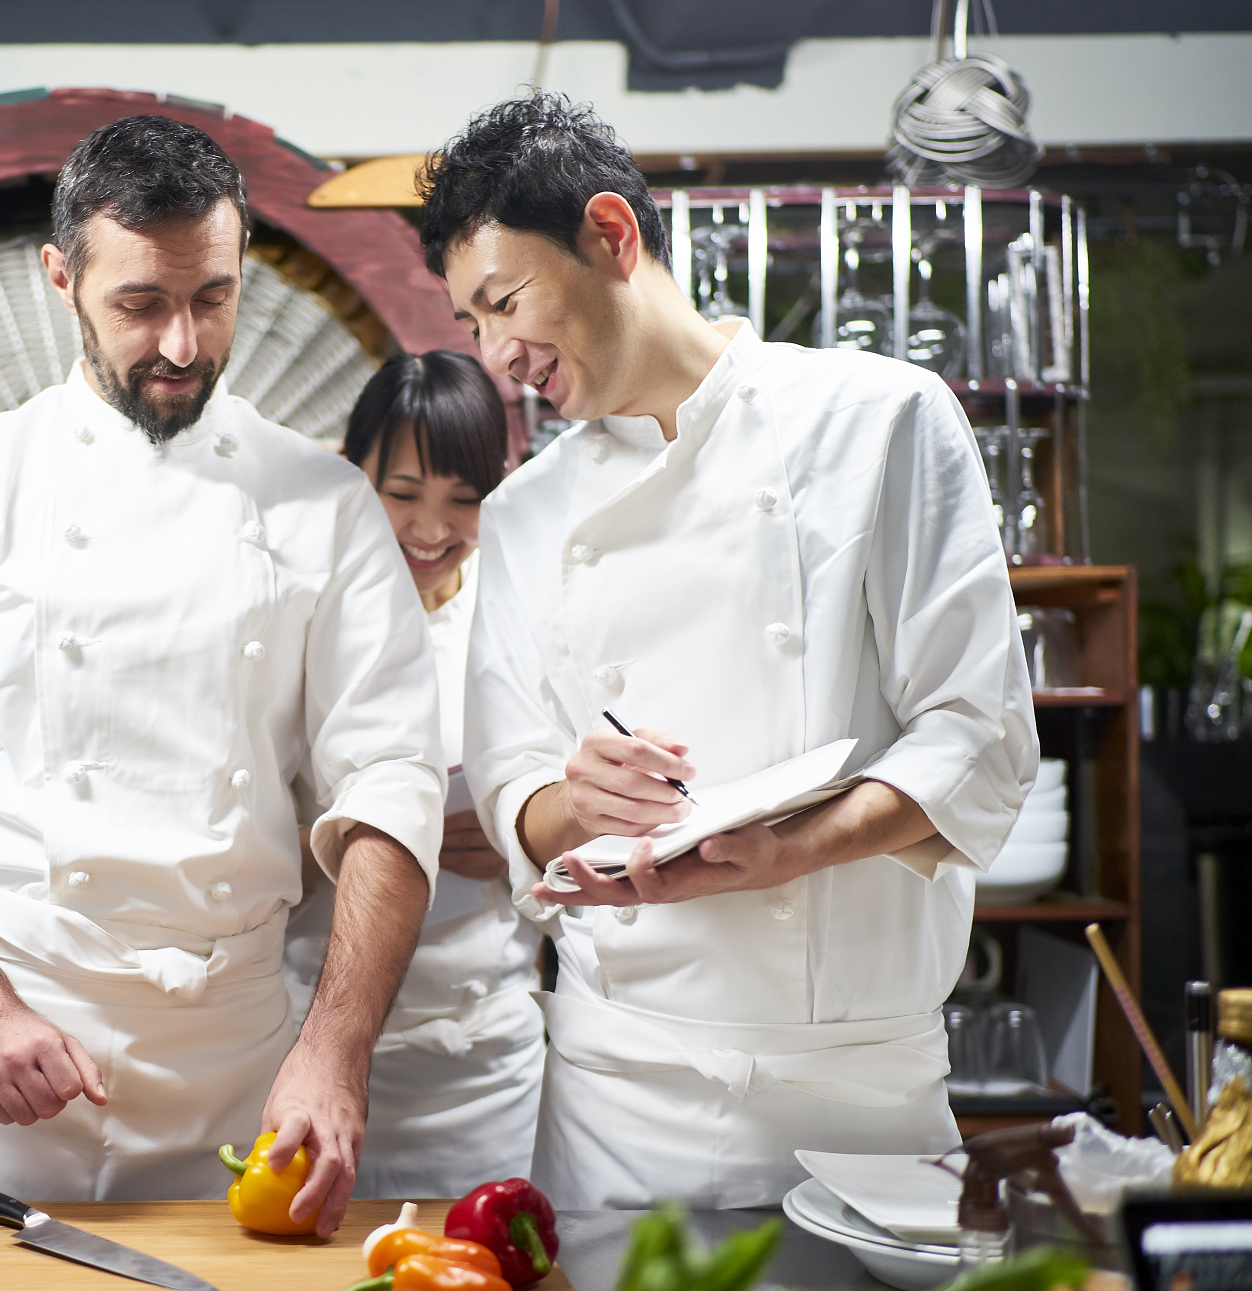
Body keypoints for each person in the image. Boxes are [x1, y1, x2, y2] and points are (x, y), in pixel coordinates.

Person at [0, 115, 443, 1234]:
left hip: (236, 1080)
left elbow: (392, 784)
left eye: (213, 298)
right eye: (139, 305)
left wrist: (335, 1053)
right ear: (60, 278)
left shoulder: (322, 503)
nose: (184, 346)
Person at [419, 94, 1036, 1210]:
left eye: (501, 301)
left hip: (859, 1092)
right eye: (468, 326)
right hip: (616, 1100)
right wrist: (574, 799)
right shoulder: (524, 514)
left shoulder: (879, 420)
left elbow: (978, 734)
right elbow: (514, 792)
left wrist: (788, 851)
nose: (496, 353)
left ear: (610, 235)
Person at [285, 351, 544, 1198]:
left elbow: (604, 823)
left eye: (463, 500)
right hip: (307, 1036)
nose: (432, 529)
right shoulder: (292, 614)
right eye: (403, 495)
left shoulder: (523, 621)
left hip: (483, 1048)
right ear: (349, 473)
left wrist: (525, 842)